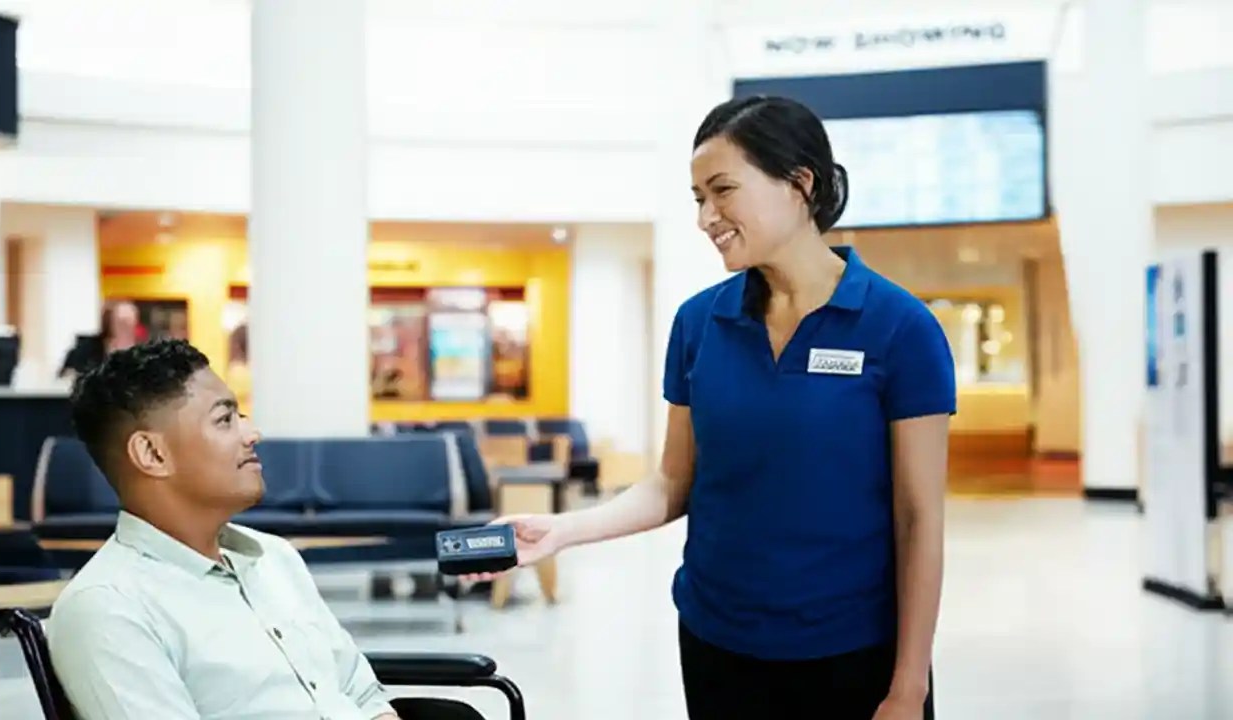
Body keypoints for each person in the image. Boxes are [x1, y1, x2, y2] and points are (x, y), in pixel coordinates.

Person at [472, 95, 955, 720]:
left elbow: (919, 518)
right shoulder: (700, 323)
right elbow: (673, 482)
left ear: (799, 183)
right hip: (718, 647)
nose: (706, 217)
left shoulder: (900, 328)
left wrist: (909, 685)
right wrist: (560, 531)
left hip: (853, 655)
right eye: (698, 197)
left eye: (722, 190)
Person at [46, 339, 402, 720]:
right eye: (224, 419)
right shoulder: (109, 608)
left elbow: (362, 695)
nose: (252, 434)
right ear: (152, 454)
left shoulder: (274, 558)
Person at [58, 300, 141, 379]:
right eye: (121, 322)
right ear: (109, 323)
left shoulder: (141, 354)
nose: (126, 327)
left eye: (130, 322)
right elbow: (65, 378)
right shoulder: (84, 350)